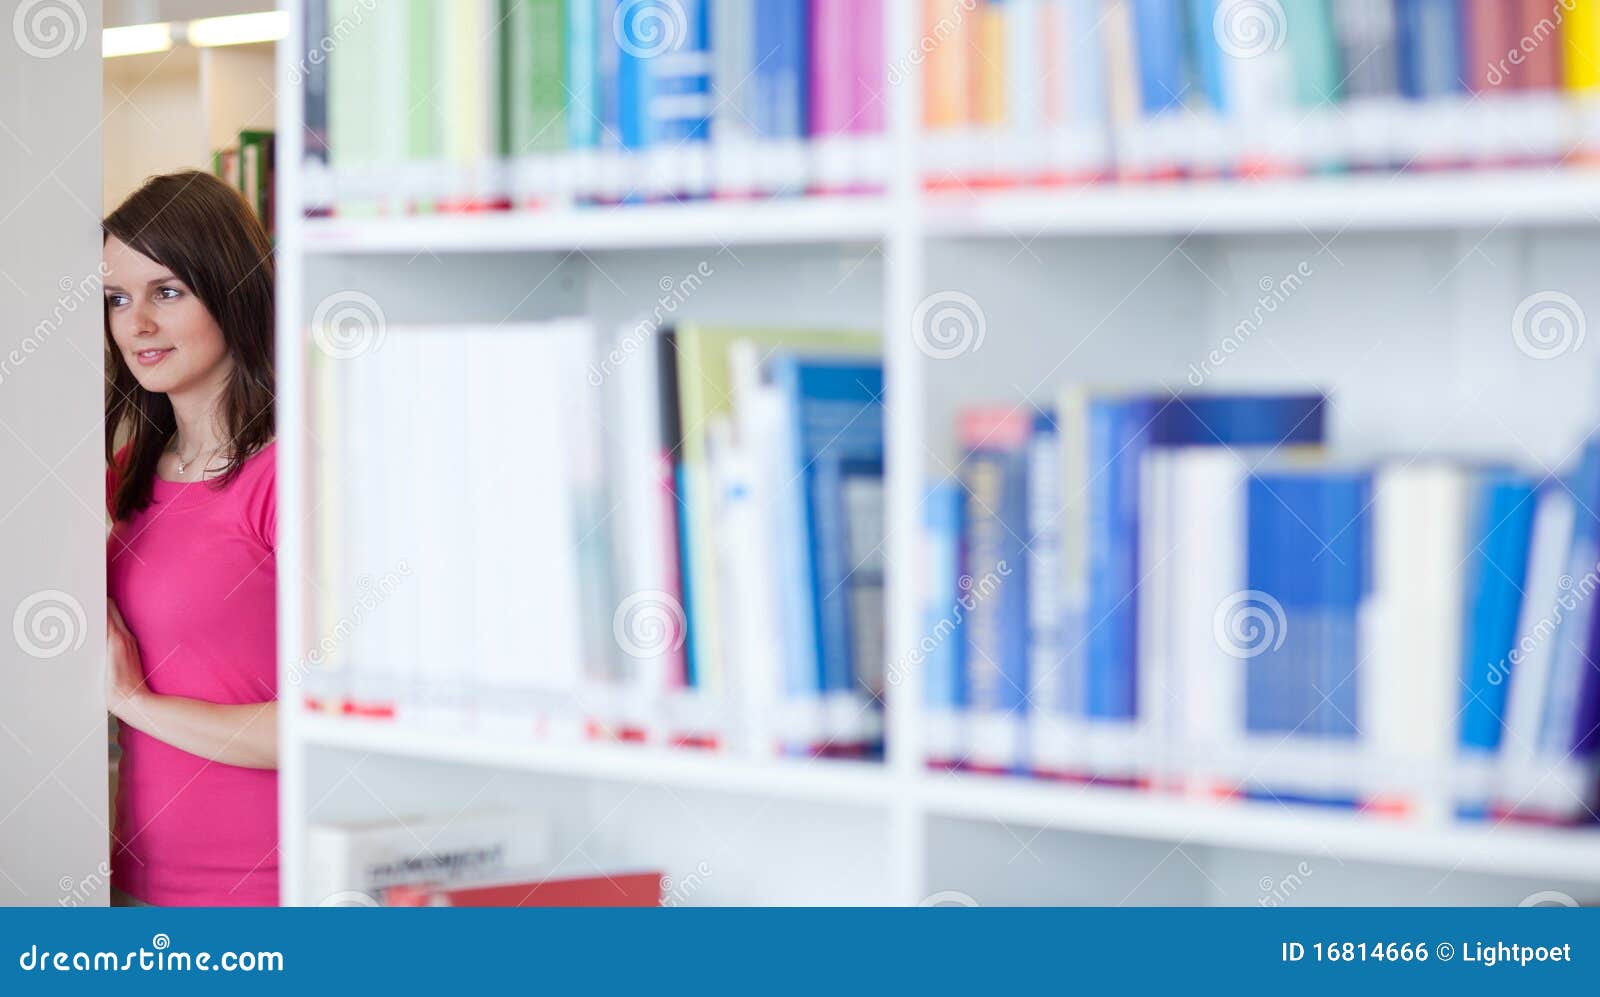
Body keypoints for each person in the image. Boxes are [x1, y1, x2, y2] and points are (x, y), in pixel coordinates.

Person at [103, 170, 278, 906]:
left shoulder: (283, 475)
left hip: (273, 891)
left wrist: (131, 700)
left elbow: (313, 727)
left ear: (231, 291)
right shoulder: (122, 477)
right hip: (136, 884)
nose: (136, 323)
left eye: (166, 291)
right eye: (116, 299)